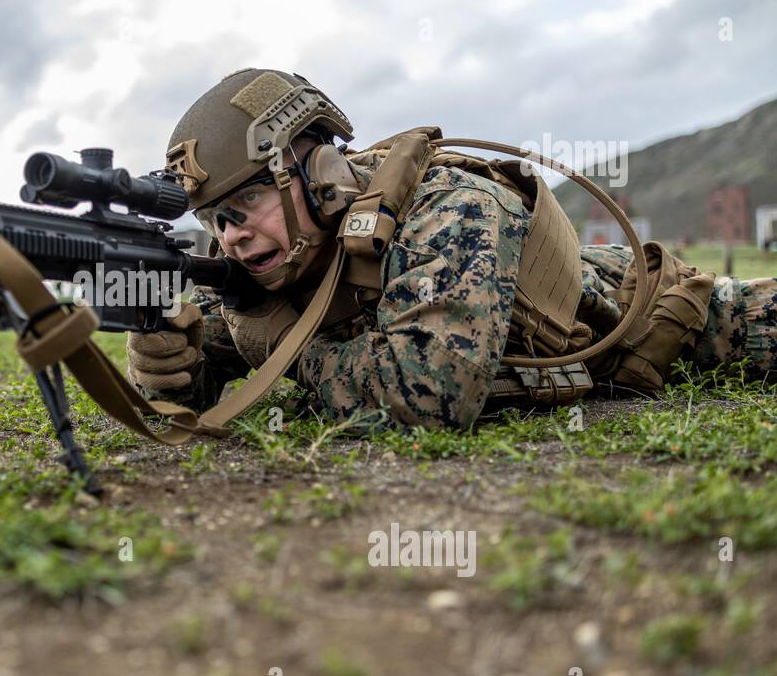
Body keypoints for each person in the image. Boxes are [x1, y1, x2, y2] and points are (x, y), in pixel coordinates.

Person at [128, 68, 777, 431]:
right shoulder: (274, 262)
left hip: (662, 314)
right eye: (215, 220)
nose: (230, 237)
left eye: (244, 207)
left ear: (318, 173)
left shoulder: (453, 206)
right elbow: (210, 356)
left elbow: (430, 393)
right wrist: (168, 360)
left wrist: (277, 346)